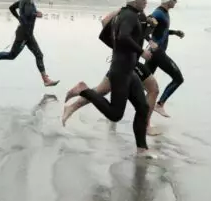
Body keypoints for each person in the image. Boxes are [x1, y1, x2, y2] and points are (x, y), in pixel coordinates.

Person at [64, 0, 153, 156]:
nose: (146, 0)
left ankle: (142, 149)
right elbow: (124, 37)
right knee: (115, 114)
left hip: (127, 69)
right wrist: (141, 52)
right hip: (121, 71)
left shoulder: (124, 14)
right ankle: (83, 90)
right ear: (134, 0)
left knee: (142, 108)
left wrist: (119, 50)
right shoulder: (130, 16)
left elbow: (104, 36)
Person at [61, 7, 162, 136]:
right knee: (153, 89)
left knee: (102, 91)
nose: (145, 1)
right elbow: (104, 21)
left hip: (127, 62)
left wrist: (150, 33)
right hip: (125, 63)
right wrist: (120, 11)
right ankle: (146, 126)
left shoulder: (139, 15)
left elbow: (139, 35)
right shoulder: (127, 13)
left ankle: (73, 105)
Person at [145, 0, 185, 118]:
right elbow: (146, 25)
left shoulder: (164, 13)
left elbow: (162, 30)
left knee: (141, 83)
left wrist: (175, 32)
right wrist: (150, 41)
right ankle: (159, 104)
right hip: (157, 53)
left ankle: (119, 100)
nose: (176, 1)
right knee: (178, 78)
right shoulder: (158, 13)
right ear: (168, 0)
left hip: (154, 53)